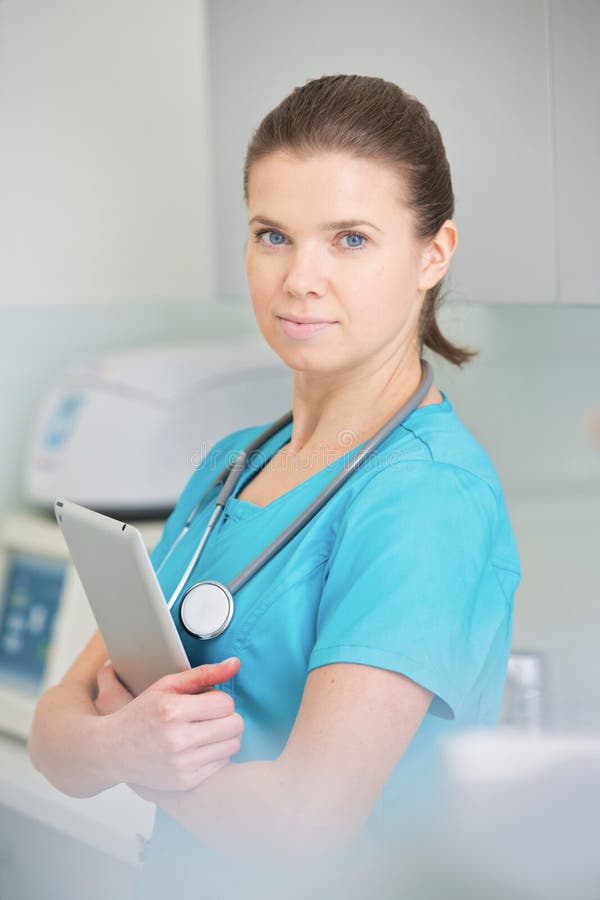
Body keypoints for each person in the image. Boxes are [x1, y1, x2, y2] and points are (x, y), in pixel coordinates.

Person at [28, 74, 521, 898]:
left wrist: (133, 757)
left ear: (433, 254)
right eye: (273, 235)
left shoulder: (427, 499)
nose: (300, 277)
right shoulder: (232, 464)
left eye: (351, 239)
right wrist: (117, 746)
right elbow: (55, 736)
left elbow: (304, 824)